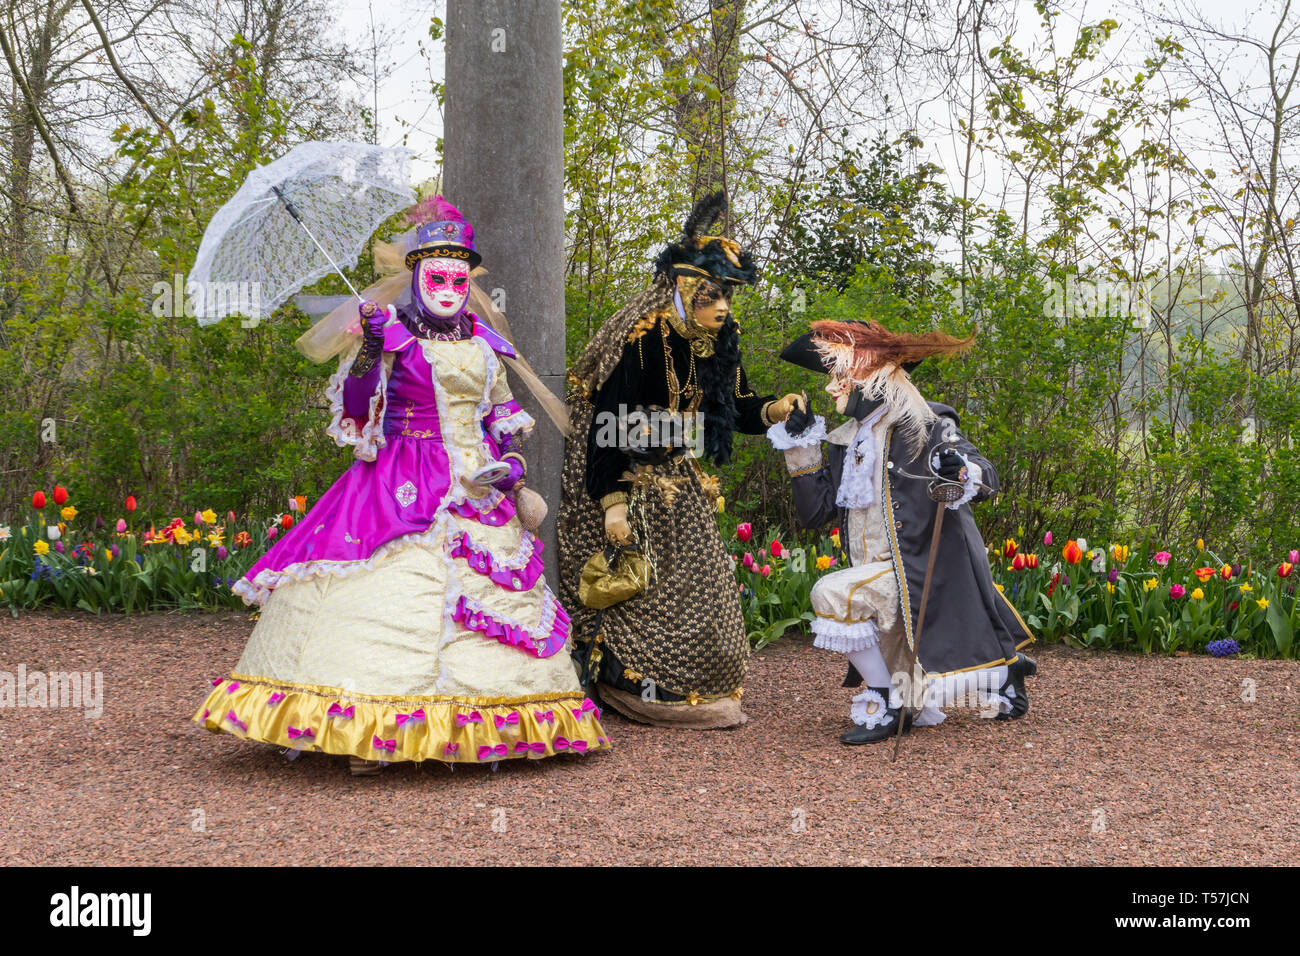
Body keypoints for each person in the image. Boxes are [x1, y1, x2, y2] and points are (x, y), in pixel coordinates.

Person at [193, 196, 609, 773]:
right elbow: (360, 411)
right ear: (415, 277)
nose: (449, 286)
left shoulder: (487, 347)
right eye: (437, 275)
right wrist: (368, 347)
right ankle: (366, 729)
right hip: (401, 480)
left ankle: (508, 723)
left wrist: (512, 467)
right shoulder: (391, 337)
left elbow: (499, 418)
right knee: (385, 583)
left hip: (479, 488)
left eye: (459, 276)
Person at [558, 191, 804, 728]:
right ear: (683, 287)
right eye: (712, 295)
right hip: (621, 472)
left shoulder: (720, 339)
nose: (723, 307)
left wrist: (774, 410)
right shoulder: (644, 338)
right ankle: (630, 688)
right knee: (640, 590)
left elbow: (732, 409)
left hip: (679, 475)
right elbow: (607, 423)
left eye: (729, 297)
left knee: (708, 596)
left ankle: (697, 691)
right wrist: (612, 505)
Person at [770, 319, 1036, 744]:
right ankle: (1005, 671)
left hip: (913, 568)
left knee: (831, 592)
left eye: (839, 374)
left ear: (871, 372)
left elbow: (987, 477)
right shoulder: (845, 439)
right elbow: (815, 513)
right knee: (914, 668)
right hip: (873, 571)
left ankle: (887, 701)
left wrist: (960, 471)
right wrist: (801, 445)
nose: (830, 387)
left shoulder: (925, 424)